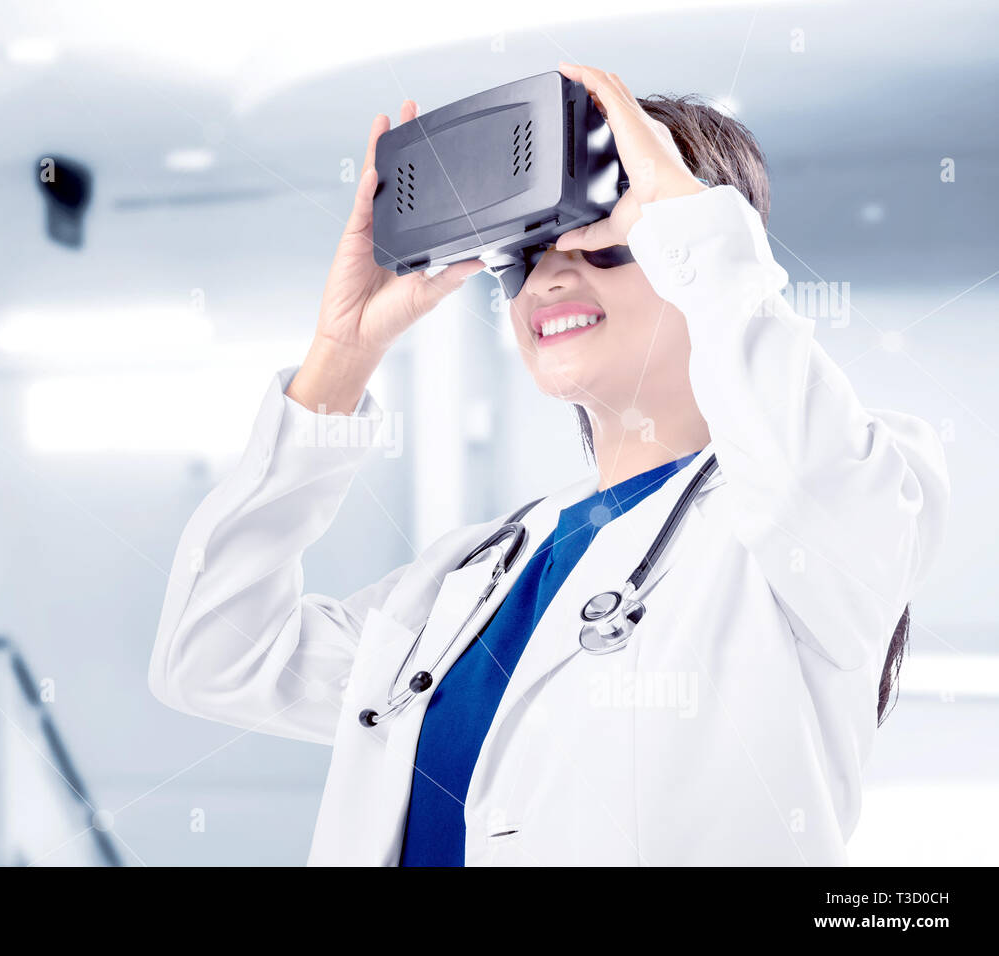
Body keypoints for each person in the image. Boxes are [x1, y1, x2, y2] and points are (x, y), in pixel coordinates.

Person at [148, 63, 950, 866]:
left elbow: (807, 466)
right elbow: (214, 656)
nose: (553, 272)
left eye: (607, 237)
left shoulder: (838, 505)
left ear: (701, 247)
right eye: (524, 252)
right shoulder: (473, 575)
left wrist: (691, 224)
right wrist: (342, 354)